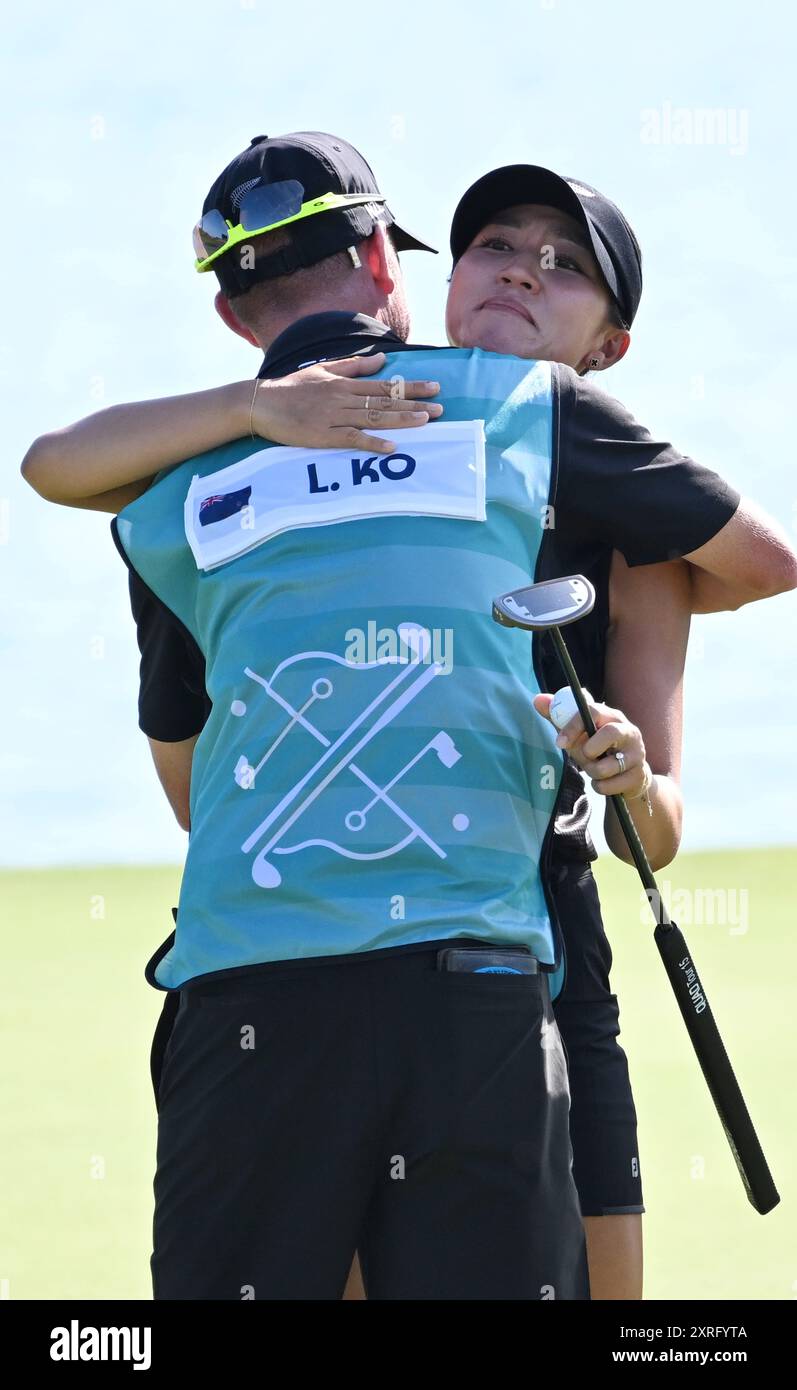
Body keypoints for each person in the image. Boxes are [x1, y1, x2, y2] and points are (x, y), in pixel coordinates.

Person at [21, 134, 797, 1300]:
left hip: (469, 941)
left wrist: (627, 726)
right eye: (492, 245)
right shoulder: (509, 416)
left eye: (560, 264)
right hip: (472, 970)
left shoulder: (180, 493)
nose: (522, 272)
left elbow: (184, 769)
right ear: (394, 262)